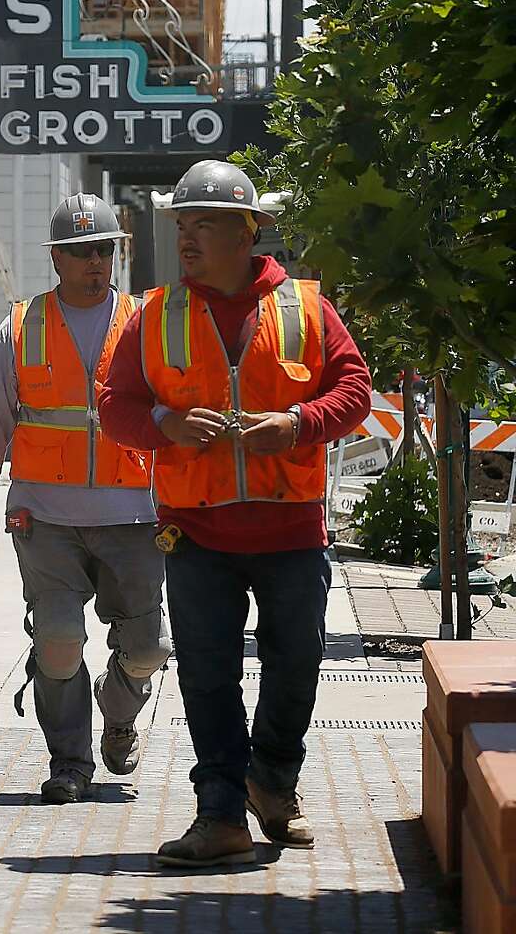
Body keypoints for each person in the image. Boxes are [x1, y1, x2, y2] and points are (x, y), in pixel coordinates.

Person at [99, 158, 372, 867]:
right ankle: (220, 811)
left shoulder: (306, 307)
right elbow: (114, 406)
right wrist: (165, 421)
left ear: (248, 231)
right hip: (196, 531)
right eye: (181, 224)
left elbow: (355, 388)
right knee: (208, 674)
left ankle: (273, 781)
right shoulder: (156, 312)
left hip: (292, 528)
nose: (186, 239)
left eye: (204, 225)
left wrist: (301, 422)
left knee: (298, 661)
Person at [0, 192, 170, 804]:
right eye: (80, 252)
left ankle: (120, 709)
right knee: (58, 642)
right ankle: (69, 763)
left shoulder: (143, 324)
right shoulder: (21, 326)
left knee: (147, 648)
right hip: (45, 518)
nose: (94, 263)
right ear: (56, 257)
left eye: (104, 250)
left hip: (134, 515)